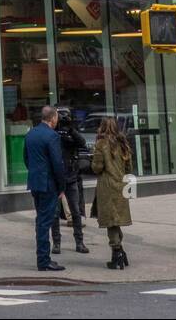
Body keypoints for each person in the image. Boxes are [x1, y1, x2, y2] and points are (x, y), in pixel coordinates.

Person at [23, 105, 66, 272]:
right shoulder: (52, 136)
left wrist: (35, 172)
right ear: (53, 118)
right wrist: (61, 186)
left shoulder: (30, 134)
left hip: (35, 182)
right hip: (48, 184)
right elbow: (57, 164)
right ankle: (43, 260)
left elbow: (26, 158)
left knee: (41, 220)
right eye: (57, 118)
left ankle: (43, 258)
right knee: (44, 222)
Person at [91, 117, 133, 269]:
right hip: (121, 185)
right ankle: (120, 251)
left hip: (107, 186)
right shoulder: (123, 144)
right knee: (115, 219)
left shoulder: (101, 144)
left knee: (111, 220)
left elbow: (97, 167)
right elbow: (129, 168)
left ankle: (117, 253)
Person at [50, 107, 89, 256]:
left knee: (76, 211)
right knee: (54, 213)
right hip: (56, 177)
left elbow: (82, 142)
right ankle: (57, 243)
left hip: (71, 177)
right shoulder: (52, 134)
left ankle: (79, 242)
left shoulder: (71, 132)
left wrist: (71, 129)